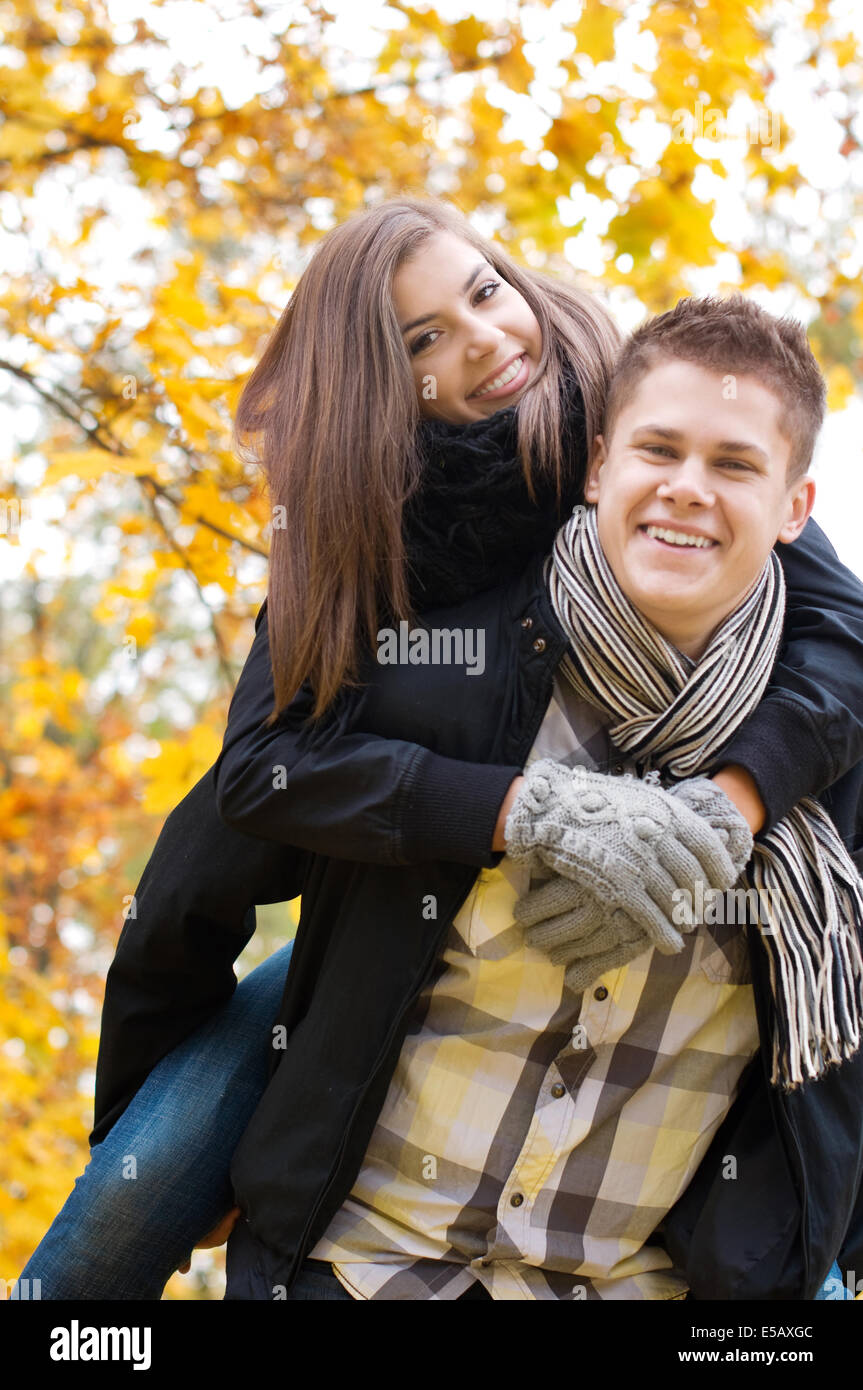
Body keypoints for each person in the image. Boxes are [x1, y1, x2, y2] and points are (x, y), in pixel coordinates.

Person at [11, 198, 863, 1301]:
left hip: (644, 961)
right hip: (412, 876)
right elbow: (257, 777)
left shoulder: (633, 416)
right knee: (137, 1186)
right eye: (422, 341)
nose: (486, 342)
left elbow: (839, 637)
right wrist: (521, 814)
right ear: (379, 386)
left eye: (483, 290)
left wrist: (723, 813)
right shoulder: (361, 543)